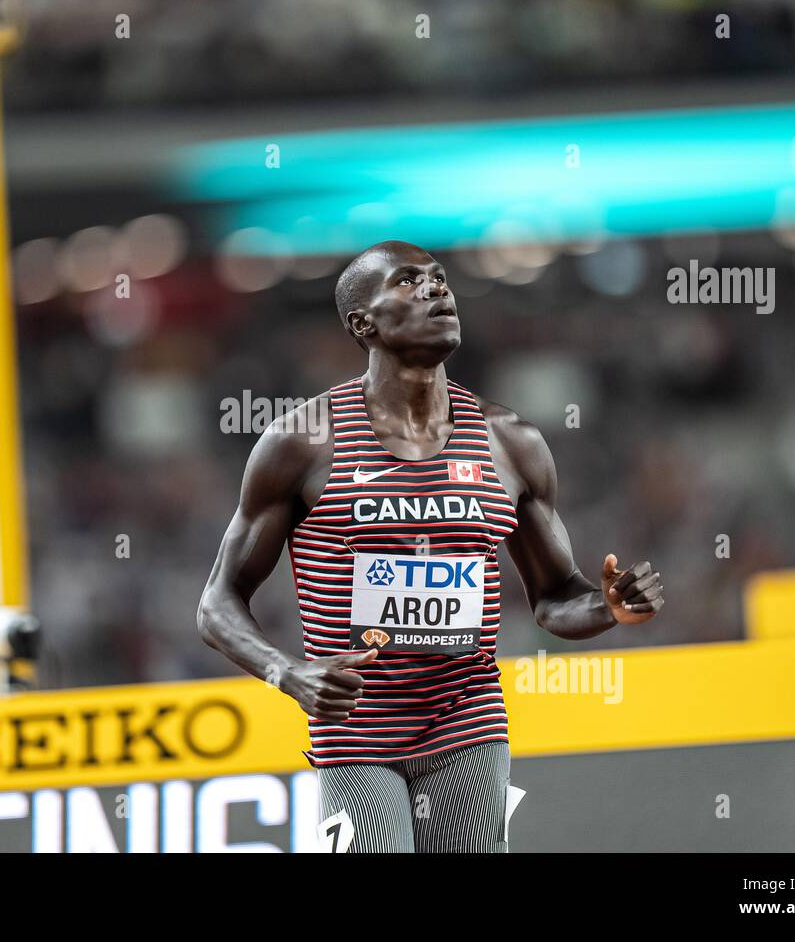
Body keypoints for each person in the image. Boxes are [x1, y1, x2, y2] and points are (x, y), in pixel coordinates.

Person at [197, 240, 665, 852]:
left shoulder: (511, 441)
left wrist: (607, 607)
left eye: (440, 279)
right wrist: (288, 672)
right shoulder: (303, 441)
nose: (436, 289)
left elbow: (555, 598)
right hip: (358, 735)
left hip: (467, 723)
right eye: (409, 282)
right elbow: (217, 603)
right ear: (362, 323)